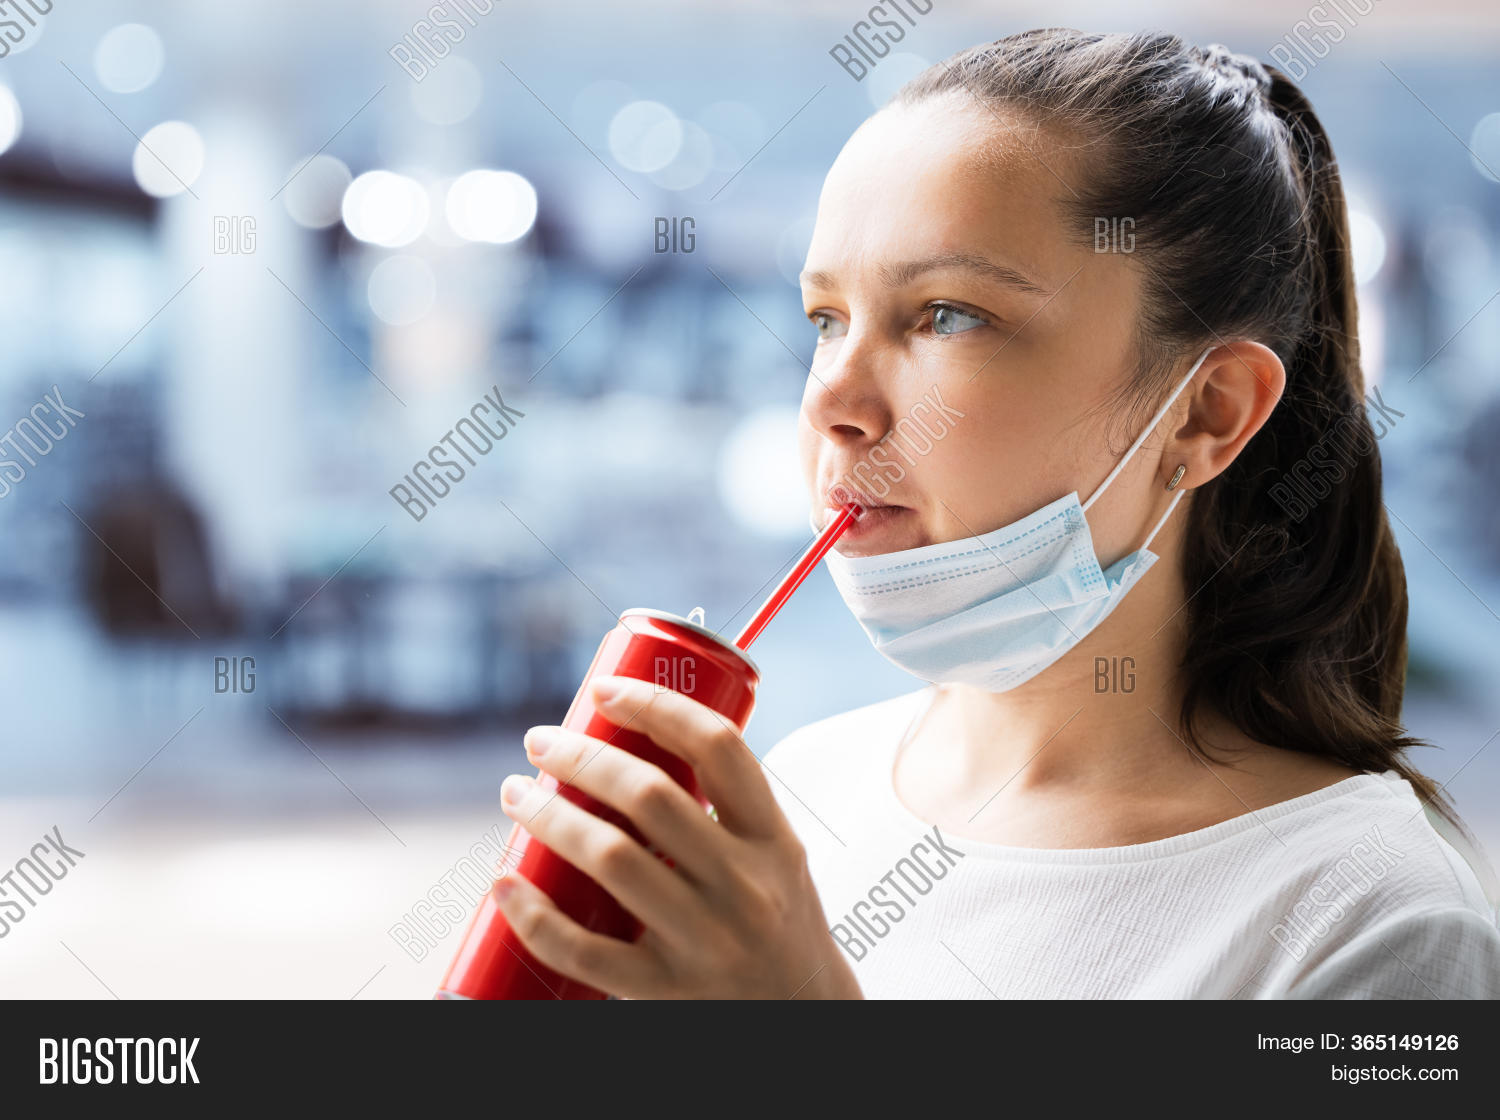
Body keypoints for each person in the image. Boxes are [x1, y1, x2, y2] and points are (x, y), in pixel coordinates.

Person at [490, 30, 1500, 998]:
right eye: (826, 319)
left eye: (948, 315)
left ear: (1205, 412)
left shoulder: (1376, 919)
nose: (831, 403)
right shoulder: (800, 796)